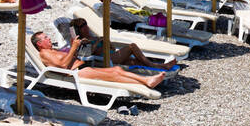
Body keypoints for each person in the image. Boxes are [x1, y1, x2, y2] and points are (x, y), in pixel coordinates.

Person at [32, 32, 166, 88]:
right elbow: (61, 66)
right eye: (45, 38)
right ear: (39, 43)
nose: (49, 38)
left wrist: (77, 47)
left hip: (82, 67)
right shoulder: (44, 54)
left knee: (117, 69)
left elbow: (67, 59)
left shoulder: (53, 50)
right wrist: (73, 48)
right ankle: (146, 81)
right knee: (114, 76)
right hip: (77, 72)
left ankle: (145, 81)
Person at [68, 16, 157, 69]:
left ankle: (160, 68)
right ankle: (153, 65)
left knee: (136, 62)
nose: (86, 26)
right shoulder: (80, 41)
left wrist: (107, 43)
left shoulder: (93, 37)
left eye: (86, 24)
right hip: (106, 60)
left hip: (113, 56)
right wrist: (97, 42)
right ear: (77, 30)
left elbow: (112, 48)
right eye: (82, 25)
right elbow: (86, 55)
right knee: (132, 46)